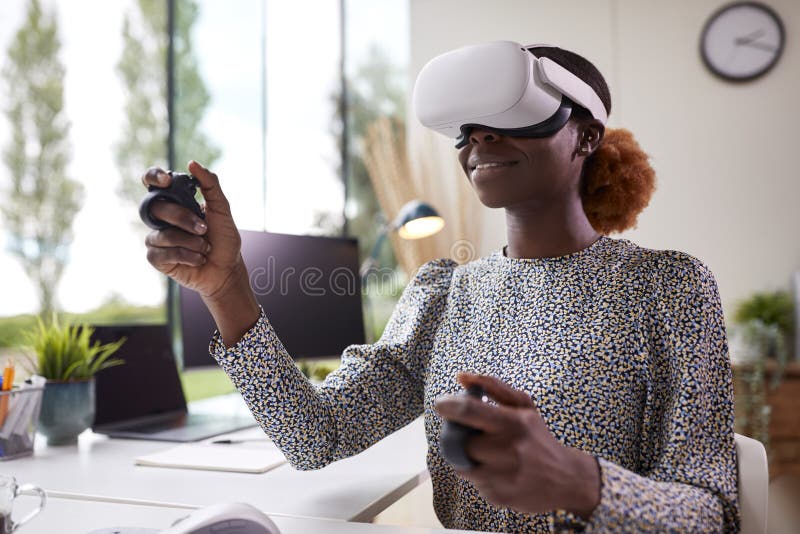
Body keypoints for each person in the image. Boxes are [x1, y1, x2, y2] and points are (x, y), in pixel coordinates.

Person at [142, 44, 739, 532]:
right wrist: (226, 288)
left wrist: (574, 481)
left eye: (510, 118)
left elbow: (713, 514)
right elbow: (313, 436)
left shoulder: (667, 288)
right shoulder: (446, 293)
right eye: (466, 130)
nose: (479, 139)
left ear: (585, 138)